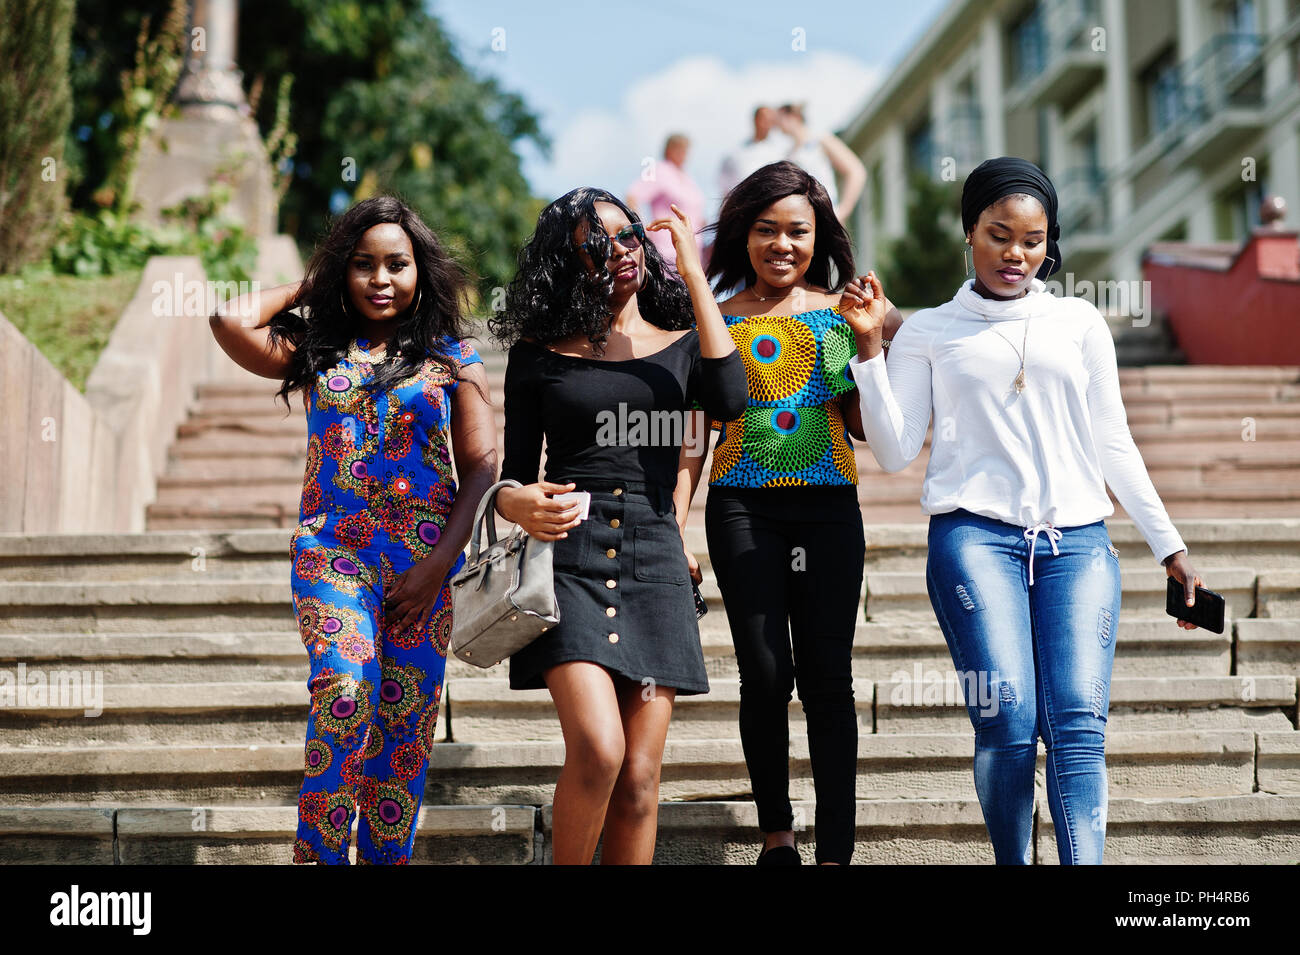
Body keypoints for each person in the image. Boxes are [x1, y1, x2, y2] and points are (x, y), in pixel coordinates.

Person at [841, 156, 1207, 865]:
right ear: (969, 233)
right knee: (1008, 720)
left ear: (1049, 241)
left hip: (1077, 543)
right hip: (974, 539)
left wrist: (1170, 545)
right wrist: (868, 349)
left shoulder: (1078, 321)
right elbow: (889, 450)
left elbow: (1113, 441)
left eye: (1033, 239)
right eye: (999, 235)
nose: (1016, 253)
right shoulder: (929, 331)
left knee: (1077, 725)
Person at [208, 195, 498, 864]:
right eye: (362, 264)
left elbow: (482, 467)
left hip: (425, 567)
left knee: (404, 735)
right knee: (346, 687)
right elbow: (228, 318)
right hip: (334, 554)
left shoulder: (452, 355)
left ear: (420, 271)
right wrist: (315, 282)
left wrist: (438, 567)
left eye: (396, 264)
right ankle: (319, 856)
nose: (380, 278)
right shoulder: (317, 347)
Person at [489, 188, 747, 865]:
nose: (619, 252)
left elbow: (729, 400)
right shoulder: (538, 355)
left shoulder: (685, 343)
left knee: (639, 779)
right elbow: (513, 473)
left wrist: (693, 271)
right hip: (569, 558)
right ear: (568, 266)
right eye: (596, 245)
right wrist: (514, 504)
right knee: (600, 749)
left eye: (627, 234)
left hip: (656, 562)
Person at [680, 160, 902, 865]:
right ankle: (778, 837)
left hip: (830, 506)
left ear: (820, 236)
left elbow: (863, 426)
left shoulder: (840, 312)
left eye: (797, 231)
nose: (782, 244)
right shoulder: (714, 319)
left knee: (828, 678)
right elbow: (695, 430)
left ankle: (836, 851)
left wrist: (871, 343)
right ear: (743, 235)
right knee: (767, 673)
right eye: (766, 229)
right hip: (742, 505)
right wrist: (678, 522)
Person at [775, 103, 866, 225]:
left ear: (793, 116)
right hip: (801, 220)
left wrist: (843, 210)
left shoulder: (820, 140)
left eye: (780, 118)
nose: (777, 125)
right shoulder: (788, 155)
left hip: (826, 217)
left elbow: (856, 171)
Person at [625, 133, 706, 270]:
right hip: (667, 254)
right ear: (668, 150)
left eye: (685, 150)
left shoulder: (687, 177)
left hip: (694, 254)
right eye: (678, 149)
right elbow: (632, 196)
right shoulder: (658, 170)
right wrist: (643, 232)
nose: (683, 154)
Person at [718, 105, 791, 198]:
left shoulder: (781, 153)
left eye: (770, 120)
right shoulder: (736, 154)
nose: (766, 124)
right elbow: (725, 187)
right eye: (763, 119)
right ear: (755, 120)